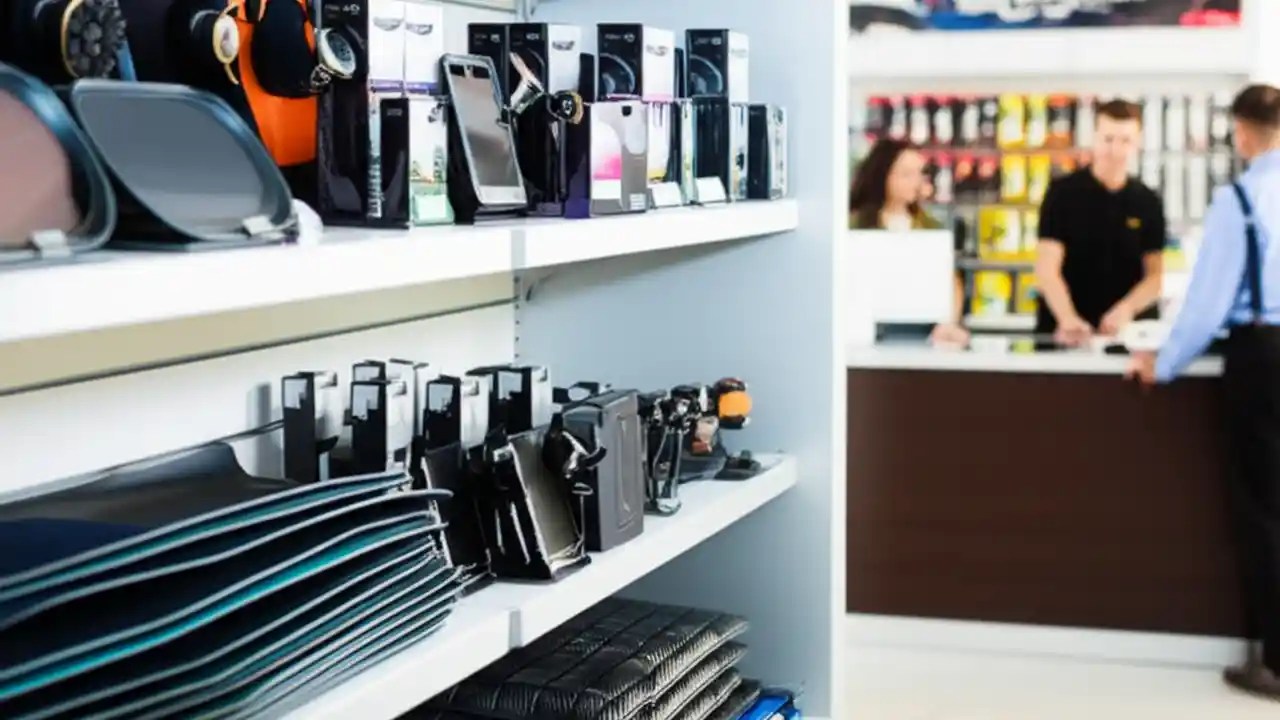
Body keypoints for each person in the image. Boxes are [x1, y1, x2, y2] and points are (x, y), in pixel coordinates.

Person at [1127, 84, 1280, 701]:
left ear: (1243, 131)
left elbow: (1206, 306)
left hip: (1262, 360)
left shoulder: (1241, 197)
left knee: (1264, 510)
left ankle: (1272, 660)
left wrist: (1162, 365)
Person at [1034, 99, 1168, 347]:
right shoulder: (1062, 194)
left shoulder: (1148, 202)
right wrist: (1068, 319)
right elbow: (1046, 269)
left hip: (1126, 342)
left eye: (1125, 140)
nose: (1115, 149)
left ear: (1137, 143)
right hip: (1064, 340)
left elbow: (1155, 277)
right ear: (1094, 137)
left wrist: (1126, 309)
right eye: (1108, 139)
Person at [850, 138, 969, 345]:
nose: (915, 182)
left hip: (923, 337)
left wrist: (948, 323)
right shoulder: (853, 226)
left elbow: (950, 283)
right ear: (882, 175)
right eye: (906, 174)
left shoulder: (931, 227)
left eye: (920, 173)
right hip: (862, 335)